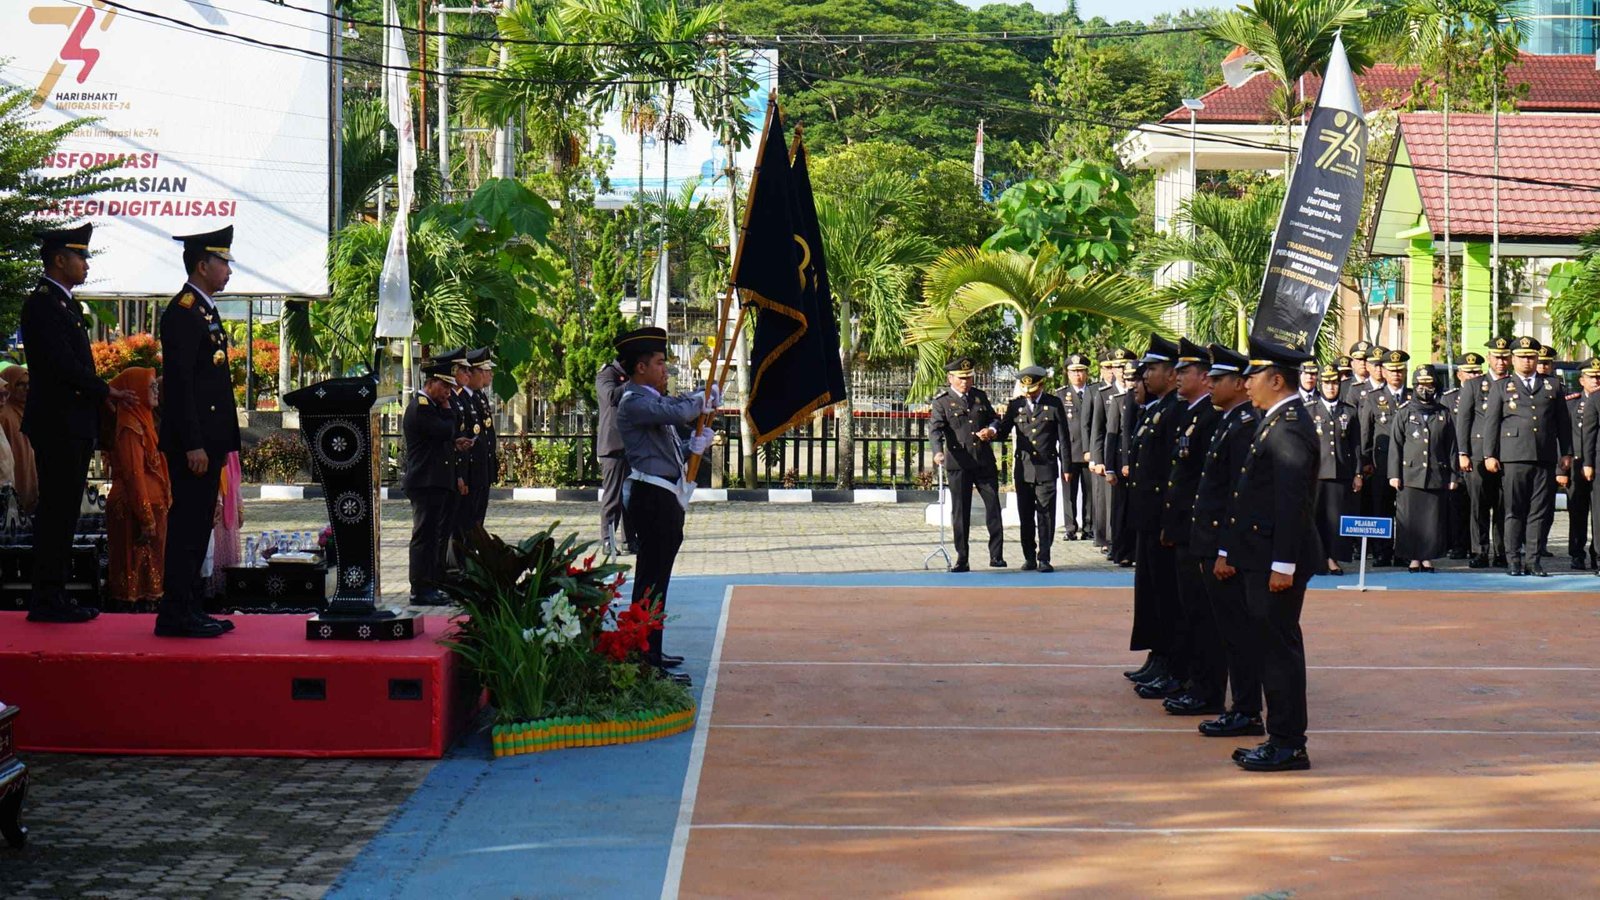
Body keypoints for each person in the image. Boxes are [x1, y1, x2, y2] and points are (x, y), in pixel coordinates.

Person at [21, 223, 136, 623]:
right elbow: (62, 366)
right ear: (59, 259)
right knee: (56, 511)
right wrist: (106, 391)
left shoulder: (64, 303)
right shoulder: (43, 304)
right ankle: (47, 598)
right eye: (80, 256)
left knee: (66, 511)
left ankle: (55, 594)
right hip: (57, 422)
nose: (86, 264)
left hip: (72, 421)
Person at [1218, 337, 1321, 773]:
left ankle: (1288, 742)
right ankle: (1279, 737)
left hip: (1275, 560)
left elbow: (1291, 501)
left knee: (1279, 650)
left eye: (1252, 376)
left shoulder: (1291, 425)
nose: (1246, 384)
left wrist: (1283, 563)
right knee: (1268, 646)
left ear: (1277, 380)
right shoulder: (1274, 420)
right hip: (1259, 555)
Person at [615, 326, 715, 683]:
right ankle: (645, 658)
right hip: (651, 498)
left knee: (659, 581)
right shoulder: (635, 401)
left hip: (665, 495)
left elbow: (671, 449)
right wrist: (701, 398)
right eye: (659, 363)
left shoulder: (651, 401)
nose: (665, 369)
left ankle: (651, 650)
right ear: (640, 367)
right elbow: (674, 412)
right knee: (650, 582)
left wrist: (695, 448)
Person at [156, 226, 243, 638]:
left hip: (210, 441)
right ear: (202, 264)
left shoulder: (205, 310)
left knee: (199, 525)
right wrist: (193, 442)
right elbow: (180, 386)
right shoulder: (183, 312)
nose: (228, 270)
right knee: (189, 523)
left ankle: (191, 606)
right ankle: (175, 611)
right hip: (194, 443)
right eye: (223, 262)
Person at [1184, 344, 1263, 738]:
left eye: (1218, 380)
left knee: (1239, 635)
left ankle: (1247, 710)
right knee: (1228, 632)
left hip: (1225, 549)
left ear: (1240, 384)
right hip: (1212, 543)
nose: (1210, 385)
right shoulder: (1229, 421)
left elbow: (1238, 495)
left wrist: (1225, 550)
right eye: (1209, 379)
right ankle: (1242, 707)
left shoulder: (1245, 424)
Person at [1159, 338, 1221, 716]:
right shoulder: (1191, 414)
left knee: (1203, 615)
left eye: (1185, 371)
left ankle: (1207, 689)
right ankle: (1197, 683)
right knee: (1191, 610)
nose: (1177, 376)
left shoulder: (1211, 418)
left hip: (1201, 532)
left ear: (1205, 377)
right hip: (1187, 529)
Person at [1482, 336, 1572, 576]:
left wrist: (1567, 453)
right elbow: (1492, 423)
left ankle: (1533, 561)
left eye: (1531, 357)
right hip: (1514, 457)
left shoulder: (1552, 385)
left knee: (1539, 512)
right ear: (1513, 359)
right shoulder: (1502, 386)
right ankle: (1512, 560)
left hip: (1544, 456)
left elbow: (1563, 423)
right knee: (1513, 510)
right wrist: (1489, 454)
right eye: (1522, 357)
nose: (1527, 361)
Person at [1127, 335, 1183, 700]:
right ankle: (1157, 654)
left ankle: (1169, 660)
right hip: (1148, 517)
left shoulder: (1175, 411)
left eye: (1153, 369)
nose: (1145, 375)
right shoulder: (1155, 409)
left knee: (1166, 595)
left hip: (1164, 518)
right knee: (1150, 591)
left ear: (1173, 373)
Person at [929, 356, 1003, 572]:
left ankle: (996, 555)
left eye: (969, 377)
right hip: (959, 462)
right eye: (961, 378)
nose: (965, 382)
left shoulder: (979, 397)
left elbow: (995, 418)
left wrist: (991, 430)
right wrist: (937, 452)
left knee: (993, 508)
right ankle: (963, 557)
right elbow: (935, 430)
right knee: (961, 512)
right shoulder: (942, 401)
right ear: (950, 378)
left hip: (983, 461)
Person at [105, 367, 170, 610]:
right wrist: (146, 517)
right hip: (135, 509)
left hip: (150, 506)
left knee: (150, 573)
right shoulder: (131, 427)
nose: (155, 390)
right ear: (134, 392)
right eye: (149, 386)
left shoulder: (145, 421)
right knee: (133, 571)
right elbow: (134, 475)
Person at [405, 359, 468, 605]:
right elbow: (444, 429)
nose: (448, 393)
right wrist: (447, 408)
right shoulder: (422, 406)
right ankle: (419, 589)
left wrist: (454, 443)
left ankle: (430, 584)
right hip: (425, 482)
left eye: (450, 389)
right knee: (424, 537)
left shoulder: (430, 405)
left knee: (433, 536)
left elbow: (439, 439)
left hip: (435, 481)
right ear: (430, 383)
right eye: (444, 387)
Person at [996, 365, 1070, 572]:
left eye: (1034, 389)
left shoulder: (1053, 405)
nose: (1029, 394)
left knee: (1045, 514)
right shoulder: (1016, 406)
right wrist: (991, 429)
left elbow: (1063, 439)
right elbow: (1002, 432)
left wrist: (1067, 467)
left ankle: (1044, 557)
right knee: (1026, 514)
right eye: (1026, 390)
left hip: (1046, 467)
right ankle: (1029, 555)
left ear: (1041, 386)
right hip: (1024, 468)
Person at [1388, 366, 1458, 573]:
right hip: (1410, 475)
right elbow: (1396, 445)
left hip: (1437, 474)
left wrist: (1454, 475)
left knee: (1432, 520)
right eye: (1420, 385)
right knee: (1410, 519)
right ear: (1414, 387)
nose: (1424, 389)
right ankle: (1413, 558)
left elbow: (1452, 447)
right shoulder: (1405, 412)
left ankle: (1428, 557)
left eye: (1428, 385)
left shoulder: (1443, 413)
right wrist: (1394, 474)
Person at [1457, 339, 1511, 568]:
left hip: (1507, 453)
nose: (1500, 361)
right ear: (1488, 358)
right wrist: (1463, 452)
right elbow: (1464, 420)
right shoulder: (1475, 385)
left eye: (1504, 357)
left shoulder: (1513, 385)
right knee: (1479, 506)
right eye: (1496, 357)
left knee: (1503, 506)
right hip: (1478, 454)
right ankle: (1479, 551)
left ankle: (1501, 552)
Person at [1308, 363, 1361, 575]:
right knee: (1315, 517)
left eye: (1335, 383)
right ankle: (1316, 557)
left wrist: (1357, 472)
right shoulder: (1309, 410)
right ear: (1320, 384)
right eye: (1327, 383)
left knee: (1336, 518)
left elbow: (1356, 444)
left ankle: (1332, 558)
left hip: (1341, 472)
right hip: (1317, 473)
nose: (1331, 387)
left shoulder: (1349, 411)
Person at [1359, 349, 1410, 566]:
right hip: (1382, 462)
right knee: (1382, 507)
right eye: (1392, 370)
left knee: (1407, 510)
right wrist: (1365, 461)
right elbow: (1365, 432)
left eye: (1400, 370)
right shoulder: (1373, 397)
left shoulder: (1413, 396)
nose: (1396, 374)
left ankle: (1404, 551)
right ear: (1384, 372)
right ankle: (1382, 551)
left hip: (1409, 463)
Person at [596, 353, 634, 555]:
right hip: (613, 446)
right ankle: (608, 541)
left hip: (632, 445)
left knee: (631, 497)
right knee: (613, 497)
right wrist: (634, 383)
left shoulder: (630, 377)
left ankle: (629, 540)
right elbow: (611, 397)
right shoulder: (606, 374)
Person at [1056, 354, 1093, 540]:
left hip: (1090, 451)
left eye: (1080, 371)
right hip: (1069, 450)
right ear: (1067, 373)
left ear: (1086, 373)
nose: (1077, 375)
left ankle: (1088, 527)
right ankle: (1070, 527)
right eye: (1073, 371)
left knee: (1090, 492)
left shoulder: (1094, 392)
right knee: (1069, 492)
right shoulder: (1061, 395)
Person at [1568, 359, 1599, 570]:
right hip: (1575, 464)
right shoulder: (1571, 403)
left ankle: (1596, 552)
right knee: (1577, 512)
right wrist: (1561, 469)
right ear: (1582, 380)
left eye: (1599, 376)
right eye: (1592, 377)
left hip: (1596, 462)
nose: (1596, 380)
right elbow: (1562, 437)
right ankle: (1576, 553)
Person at [466, 347, 499, 529]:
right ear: (473, 373)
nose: (490, 375)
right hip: (471, 469)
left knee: (478, 519)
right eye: (486, 371)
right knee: (469, 521)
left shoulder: (479, 396)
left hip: (482, 467)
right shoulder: (463, 398)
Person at [0, 367, 38, 513]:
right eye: (20, 384)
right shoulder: (4, 414)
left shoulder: (29, 411)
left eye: (28, 384)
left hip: (29, 472)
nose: (26, 388)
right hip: (11, 478)